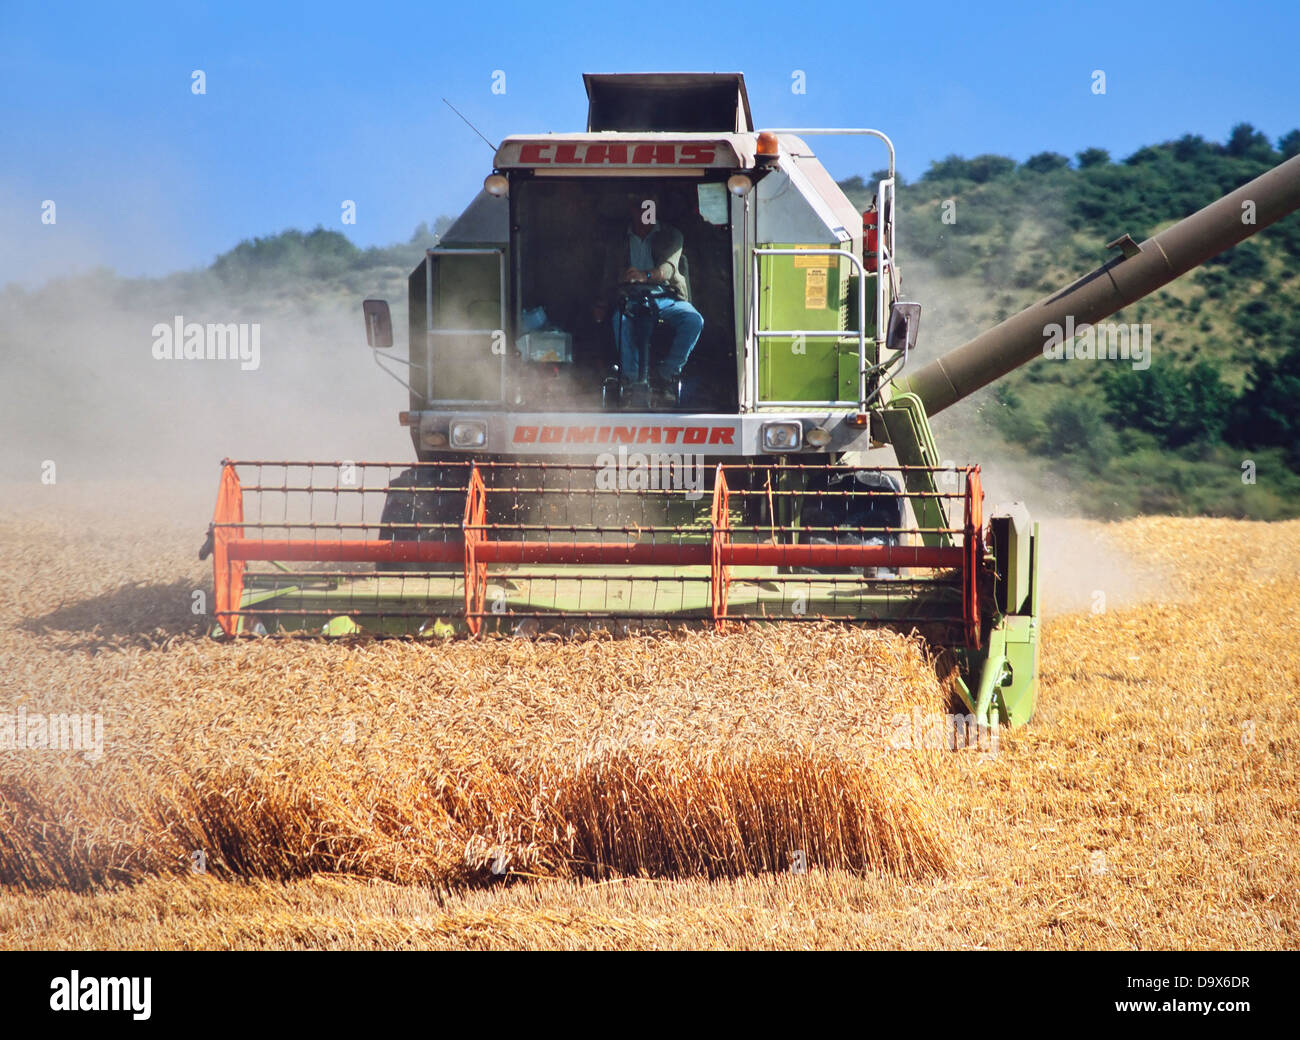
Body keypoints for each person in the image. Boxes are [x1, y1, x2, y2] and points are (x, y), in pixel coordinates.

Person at [593, 193, 703, 407]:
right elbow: (608, 276)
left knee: (693, 320)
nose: (644, 212)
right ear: (631, 210)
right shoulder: (618, 240)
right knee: (620, 321)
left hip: (666, 295)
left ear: (655, 208)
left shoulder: (672, 235)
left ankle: (667, 374)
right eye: (638, 207)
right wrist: (602, 302)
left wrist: (645, 275)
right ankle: (632, 381)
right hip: (630, 297)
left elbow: (668, 269)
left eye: (648, 207)